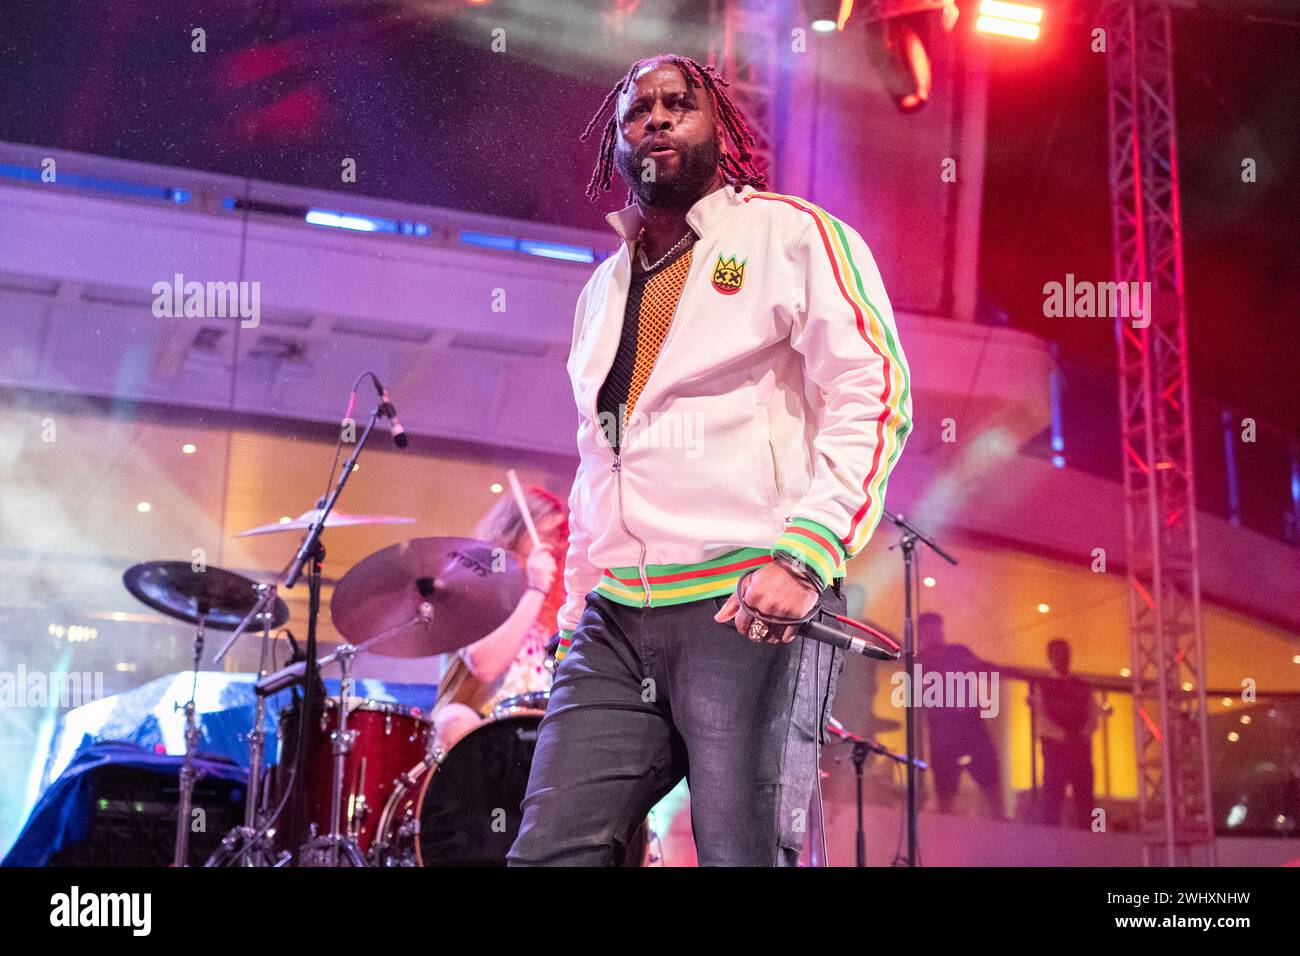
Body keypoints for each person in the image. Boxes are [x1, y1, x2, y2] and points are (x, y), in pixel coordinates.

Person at [507, 54, 911, 866]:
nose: (654, 118)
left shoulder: (791, 235)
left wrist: (806, 556)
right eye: (637, 111)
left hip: (747, 601)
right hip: (615, 619)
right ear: (615, 144)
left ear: (717, 128)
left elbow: (874, 391)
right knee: (548, 853)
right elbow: (601, 459)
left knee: (740, 853)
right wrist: (575, 604)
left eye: (676, 104)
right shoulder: (602, 289)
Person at [430, 486, 565, 752]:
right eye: (547, 533)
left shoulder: (553, 608)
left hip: (539, 727)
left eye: (560, 535)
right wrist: (535, 590)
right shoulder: (473, 589)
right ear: (515, 530)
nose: (556, 543)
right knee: (455, 719)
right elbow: (485, 665)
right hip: (481, 725)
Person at [916, 612, 1005, 818]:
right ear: (921, 634)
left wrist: (1001, 671)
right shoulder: (919, 660)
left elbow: (980, 666)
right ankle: (945, 817)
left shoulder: (958, 651)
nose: (934, 634)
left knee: (988, 770)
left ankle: (998, 815)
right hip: (942, 730)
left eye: (937, 629)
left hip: (969, 723)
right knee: (945, 778)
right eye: (928, 631)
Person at [1030, 638, 1099, 828]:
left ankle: (1090, 833)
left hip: (1079, 748)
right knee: (1053, 791)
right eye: (1058, 653)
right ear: (1049, 657)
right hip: (1056, 749)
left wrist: (1081, 736)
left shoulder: (1082, 686)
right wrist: (1065, 736)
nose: (1063, 657)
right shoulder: (1042, 685)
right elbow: (1041, 717)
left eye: (1065, 652)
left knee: (1085, 792)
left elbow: (1093, 715)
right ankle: (1049, 835)